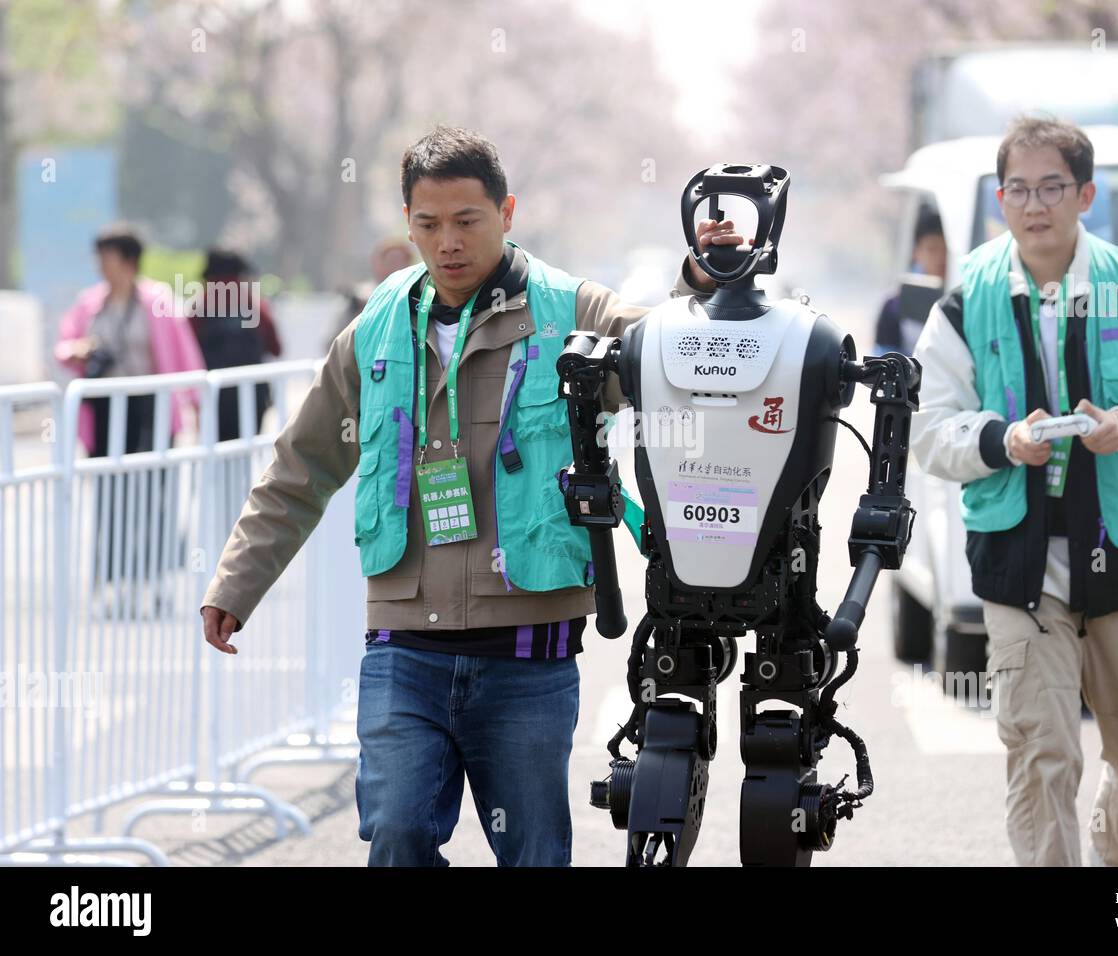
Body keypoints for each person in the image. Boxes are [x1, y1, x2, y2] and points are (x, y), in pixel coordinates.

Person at [197, 125, 741, 866]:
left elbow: (654, 349)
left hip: (527, 652)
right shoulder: (376, 328)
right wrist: (237, 581)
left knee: (535, 854)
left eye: (466, 221)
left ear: (507, 212)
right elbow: (303, 464)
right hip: (404, 644)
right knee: (396, 834)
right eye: (427, 225)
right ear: (408, 224)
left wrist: (699, 280)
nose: (446, 242)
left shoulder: (567, 310)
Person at [911, 116, 1118, 866]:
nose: (1033, 204)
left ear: (1085, 194)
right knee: (1040, 753)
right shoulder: (965, 301)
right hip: (1021, 565)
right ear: (999, 199)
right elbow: (929, 426)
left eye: (1052, 186)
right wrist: (999, 440)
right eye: (1017, 188)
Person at [54, 224, 206, 602]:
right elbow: (64, 343)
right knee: (109, 491)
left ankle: (154, 578)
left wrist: (196, 404)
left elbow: (184, 355)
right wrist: (78, 350)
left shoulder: (158, 300)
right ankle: (111, 579)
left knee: (153, 493)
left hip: (149, 408)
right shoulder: (91, 302)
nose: (101, 265)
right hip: (105, 409)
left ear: (128, 261)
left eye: (108, 256)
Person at [187, 248, 283, 441]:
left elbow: (187, 353)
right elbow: (276, 348)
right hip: (251, 395)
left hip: (211, 395)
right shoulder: (255, 306)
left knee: (214, 457)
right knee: (242, 456)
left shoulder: (199, 307)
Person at [874, 209, 947, 355]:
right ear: (916, 252)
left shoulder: (968, 300)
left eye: (946, 249)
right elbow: (884, 361)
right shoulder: (895, 306)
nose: (941, 257)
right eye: (932, 249)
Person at [327, 237, 417, 350]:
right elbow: (335, 343)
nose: (396, 267)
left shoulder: (418, 295)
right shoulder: (360, 296)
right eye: (392, 261)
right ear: (379, 264)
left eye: (401, 261)